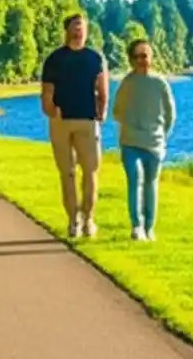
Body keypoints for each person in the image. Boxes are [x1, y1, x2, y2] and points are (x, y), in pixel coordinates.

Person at [41, 14, 109, 238]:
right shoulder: (54, 59)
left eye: (82, 28)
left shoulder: (95, 58)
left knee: (90, 171)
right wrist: (52, 110)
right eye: (75, 27)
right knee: (67, 173)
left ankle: (89, 219)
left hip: (87, 121)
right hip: (61, 122)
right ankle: (73, 220)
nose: (79, 32)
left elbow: (102, 89)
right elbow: (47, 93)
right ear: (67, 31)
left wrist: (102, 111)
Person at [111, 39, 176, 242]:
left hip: (154, 144)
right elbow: (117, 111)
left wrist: (162, 134)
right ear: (131, 59)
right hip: (130, 142)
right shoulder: (127, 84)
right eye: (137, 56)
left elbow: (170, 113)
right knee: (135, 180)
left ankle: (149, 227)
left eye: (145, 55)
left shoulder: (159, 83)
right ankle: (136, 226)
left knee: (151, 184)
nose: (141, 60)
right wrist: (132, 124)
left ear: (151, 57)